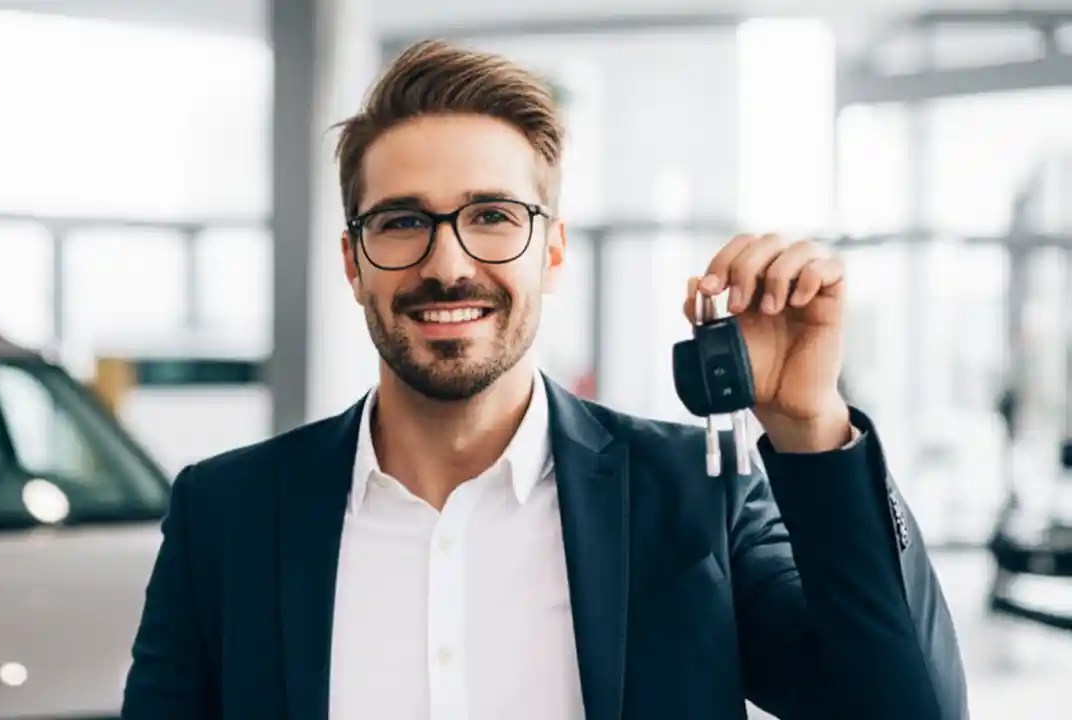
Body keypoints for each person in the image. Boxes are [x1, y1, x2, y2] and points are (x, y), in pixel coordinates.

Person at [122, 40, 967, 720]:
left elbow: (908, 709)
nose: (447, 265)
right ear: (353, 261)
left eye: (492, 216)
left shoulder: (688, 501)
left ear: (551, 250)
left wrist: (809, 423)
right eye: (403, 220)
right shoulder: (226, 517)